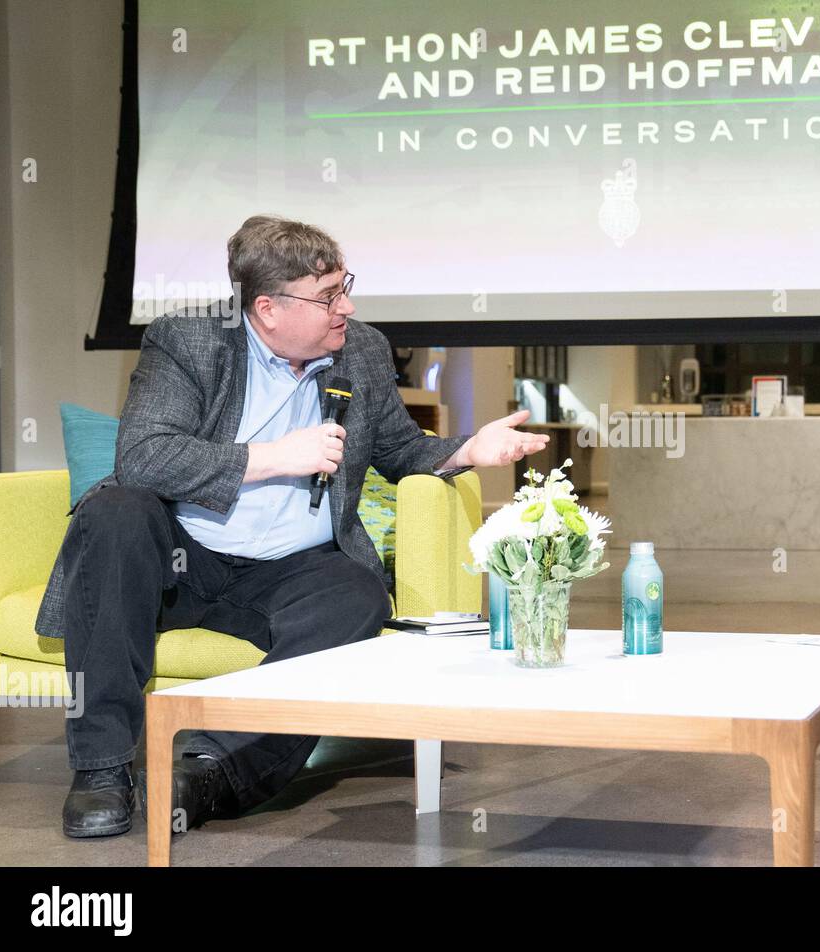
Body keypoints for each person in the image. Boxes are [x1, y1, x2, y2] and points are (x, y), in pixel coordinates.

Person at [43, 215, 549, 838]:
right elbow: (143, 457)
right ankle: (102, 768)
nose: (348, 307)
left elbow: (394, 447)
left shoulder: (359, 348)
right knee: (116, 510)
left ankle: (209, 769)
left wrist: (468, 449)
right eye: (329, 296)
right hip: (184, 556)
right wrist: (274, 457)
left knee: (359, 596)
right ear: (267, 309)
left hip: (289, 570)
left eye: (345, 286)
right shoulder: (189, 340)